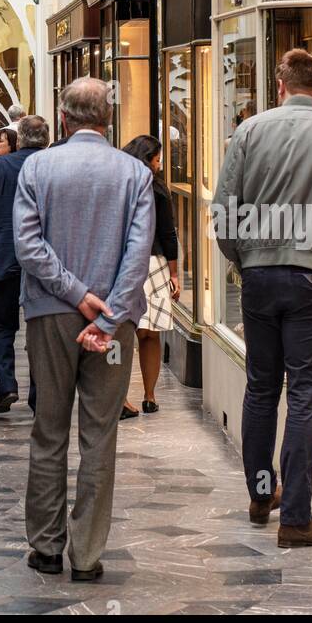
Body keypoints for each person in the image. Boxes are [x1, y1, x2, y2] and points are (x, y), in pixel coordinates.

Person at [212, 48, 312, 549]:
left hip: (260, 275)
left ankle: (263, 494)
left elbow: (223, 210)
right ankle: (297, 518)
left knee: (261, 388)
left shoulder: (249, 131)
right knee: (305, 395)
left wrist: (243, 259)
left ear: (280, 87)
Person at [14, 77, 154, 582]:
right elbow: (139, 255)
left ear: (65, 118)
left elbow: (28, 247)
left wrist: (73, 293)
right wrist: (110, 315)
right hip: (112, 325)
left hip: (51, 313)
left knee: (49, 429)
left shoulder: (37, 167)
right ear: (108, 120)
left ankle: (46, 546)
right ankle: (88, 554)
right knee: (100, 435)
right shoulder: (134, 173)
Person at [0, 114, 49, 413]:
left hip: (4, 258)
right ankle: (39, 394)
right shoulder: (53, 167)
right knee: (42, 327)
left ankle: (6, 384)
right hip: (45, 261)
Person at [119, 135, 180, 419]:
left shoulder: (118, 182)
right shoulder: (156, 188)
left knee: (121, 333)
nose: (159, 164)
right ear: (148, 159)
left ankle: (119, 396)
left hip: (121, 262)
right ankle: (150, 396)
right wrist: (174, 272)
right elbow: (168, 232)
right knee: (150, 333)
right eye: (157, 159)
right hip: (153, 262)